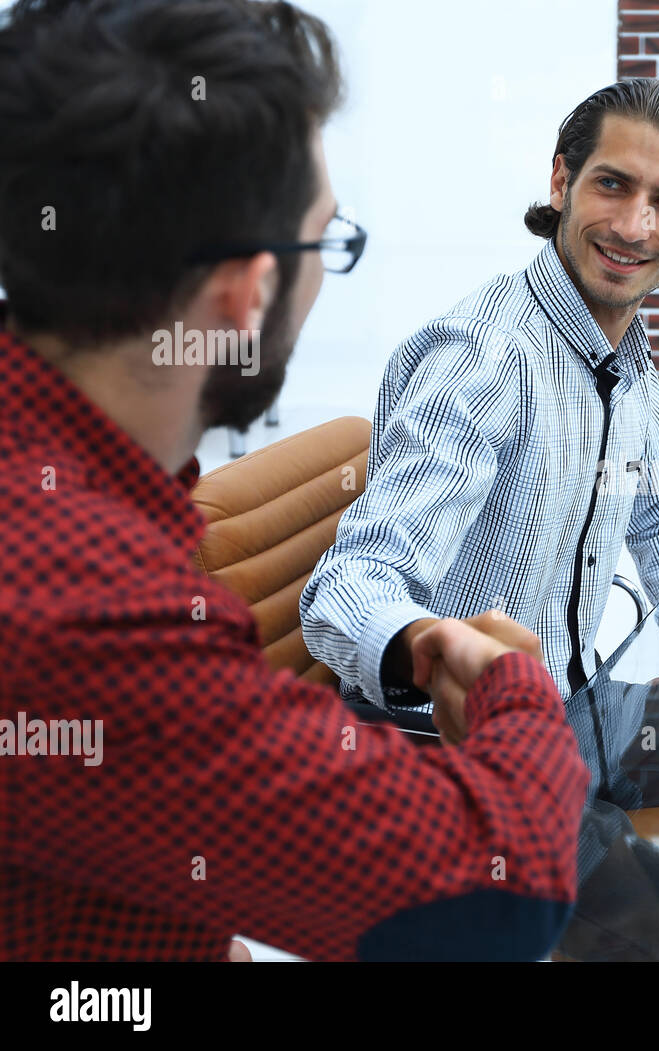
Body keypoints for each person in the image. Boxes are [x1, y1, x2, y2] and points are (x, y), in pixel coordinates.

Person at [0, 0, 586, 962]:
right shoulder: (90, 614)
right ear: (246, 292)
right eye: (327, 242)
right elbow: (504, 894)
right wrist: (515, 687)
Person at [302, 79, 659, 745]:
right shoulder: (490, 357)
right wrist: (432, 649)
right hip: (444, 748)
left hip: (568, 713)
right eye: (613, 185)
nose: (632, 226)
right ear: (562, 182)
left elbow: (658, 512)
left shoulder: (627, 355)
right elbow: (347, 586)